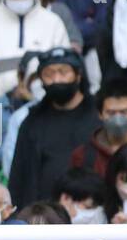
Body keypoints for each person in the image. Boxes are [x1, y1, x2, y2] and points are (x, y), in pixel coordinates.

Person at [8, 47, 101, 207]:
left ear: (78, 75)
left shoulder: (98, 117)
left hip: (93, 213)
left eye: (63, 72)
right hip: (42, 217)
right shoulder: (32, 121)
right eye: (49, 74)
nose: (56, 79)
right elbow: (18, 177)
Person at [70, 79, 127, 176]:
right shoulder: (83, 156)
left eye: (124, 112)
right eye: (111, 113)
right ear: (100, 114)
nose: (118, 119)